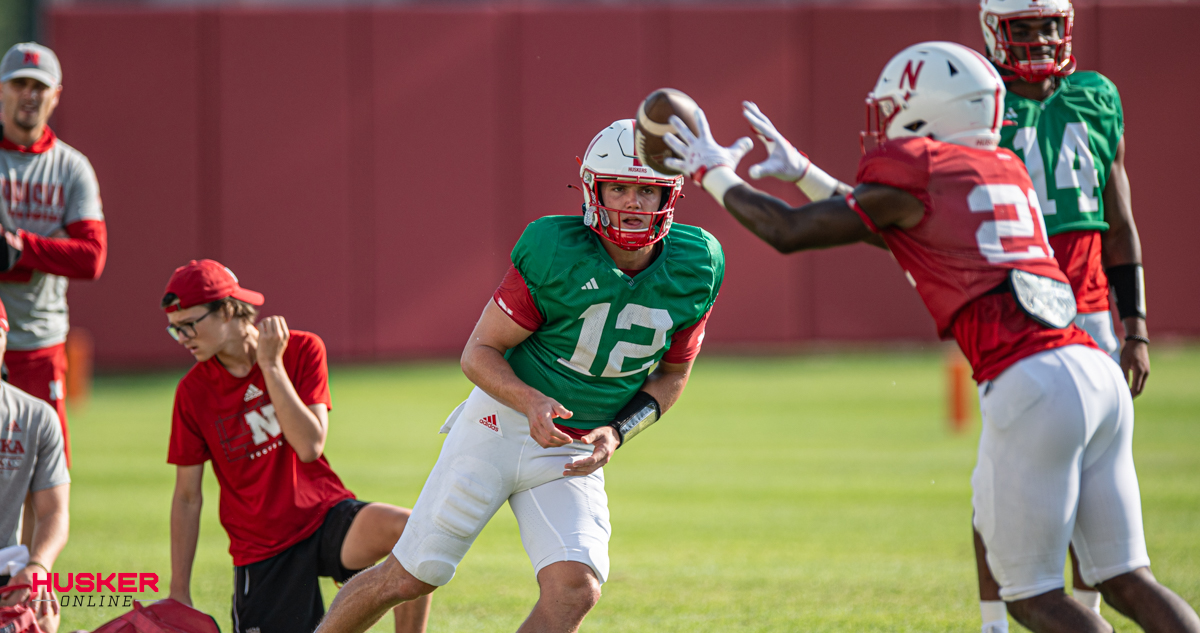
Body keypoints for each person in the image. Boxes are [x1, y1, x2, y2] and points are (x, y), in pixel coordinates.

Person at [662, 41, 1199, 633]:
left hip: (1033, 378)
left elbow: (790, 232)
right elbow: (898, 228)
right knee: (1127, 579)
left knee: (1033, 597)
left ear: (930, 111)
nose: (888, 122)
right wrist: (807, 175)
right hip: (1095, 370)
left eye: (897, 107)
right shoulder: (1004, 168)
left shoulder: (921, 171)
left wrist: (711, 171)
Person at [314, 119, 724, 633]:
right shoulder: (556, 249)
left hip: (571, 450)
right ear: (593, 189)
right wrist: (530, 400)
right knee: (411, 577)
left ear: (671, 195)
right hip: (499, 428)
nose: (632, 203)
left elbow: (673, 375)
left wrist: (617, 431)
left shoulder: (697, 263)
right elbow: (479, 352)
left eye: (647, 190)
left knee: (576, 588)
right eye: (619, 187)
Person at [978, 0, 1151, 626]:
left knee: (1093, 481)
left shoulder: (1095, 96)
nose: (1041, 39)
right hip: (1019, 313)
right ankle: (994, 622)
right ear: (995, 31)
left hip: (1094, 313)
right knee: (996, 481)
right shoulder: (981, 104)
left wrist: (1136, 326)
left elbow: (1119, 222)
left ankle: (1087, 609)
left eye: (1050, 25)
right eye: (1023, 28)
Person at [162, 259, 431, 633]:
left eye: (189, 324)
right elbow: (187, 497)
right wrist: (179, 590)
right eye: (175, 329)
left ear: (226, 310)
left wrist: (271, 366)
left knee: (416, 533)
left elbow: (309, 446)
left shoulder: (302, 349)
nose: (183, 338)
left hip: (322, 513)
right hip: (261, 547)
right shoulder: (192, 392)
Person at [0, 42, 108, 469]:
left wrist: (22, 249)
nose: (29, 94)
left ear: (56, 95)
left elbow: (92, 257)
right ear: (2, 89)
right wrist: (45, 250)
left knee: (44, 474)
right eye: (20, 84)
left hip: (40, 343)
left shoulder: (70, 168)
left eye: (39, 86)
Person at [0, 297, 69, 633]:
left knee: (41, 616)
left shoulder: (36, 416)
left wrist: (38, 566)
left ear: (4, 340)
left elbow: (54, 511)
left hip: (5, 570)